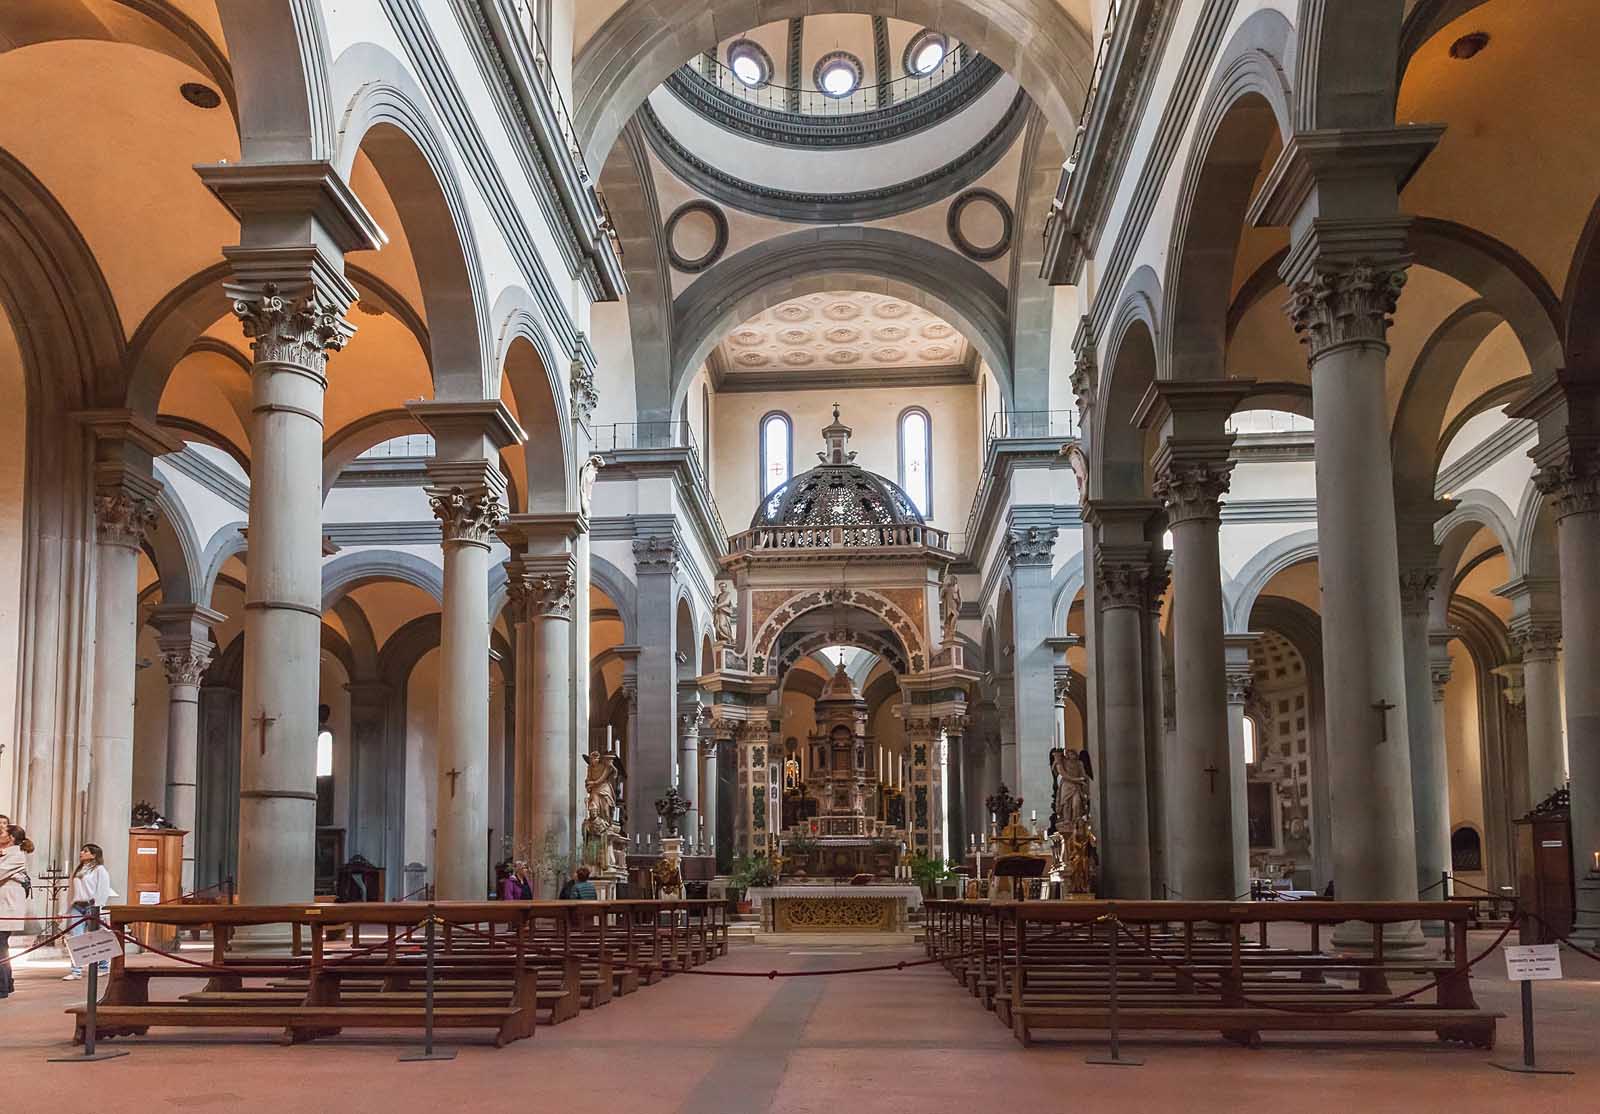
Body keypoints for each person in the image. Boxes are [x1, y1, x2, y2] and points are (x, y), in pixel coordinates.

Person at [65, 843, 115, 980]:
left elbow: (103, 890)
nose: (81, 852)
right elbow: (72, 891)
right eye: (82, 850)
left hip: (91, 906)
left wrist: (98, 907)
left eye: (85, 851)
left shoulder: (100, 870)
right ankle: (76, 971)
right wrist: (67, 908)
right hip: (77, 906)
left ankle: (104, 966)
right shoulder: (78, 870)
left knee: (98, 937)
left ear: (94, 855)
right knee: (76, 938)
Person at [0, 822, 31, 999]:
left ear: (11, 838)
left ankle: (2, 987)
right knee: (2, 946)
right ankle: (7, 984)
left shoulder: (17, 855)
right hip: (4, 906)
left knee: (1, 946)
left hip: (7, 908)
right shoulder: (5, 854)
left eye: (2, 832)